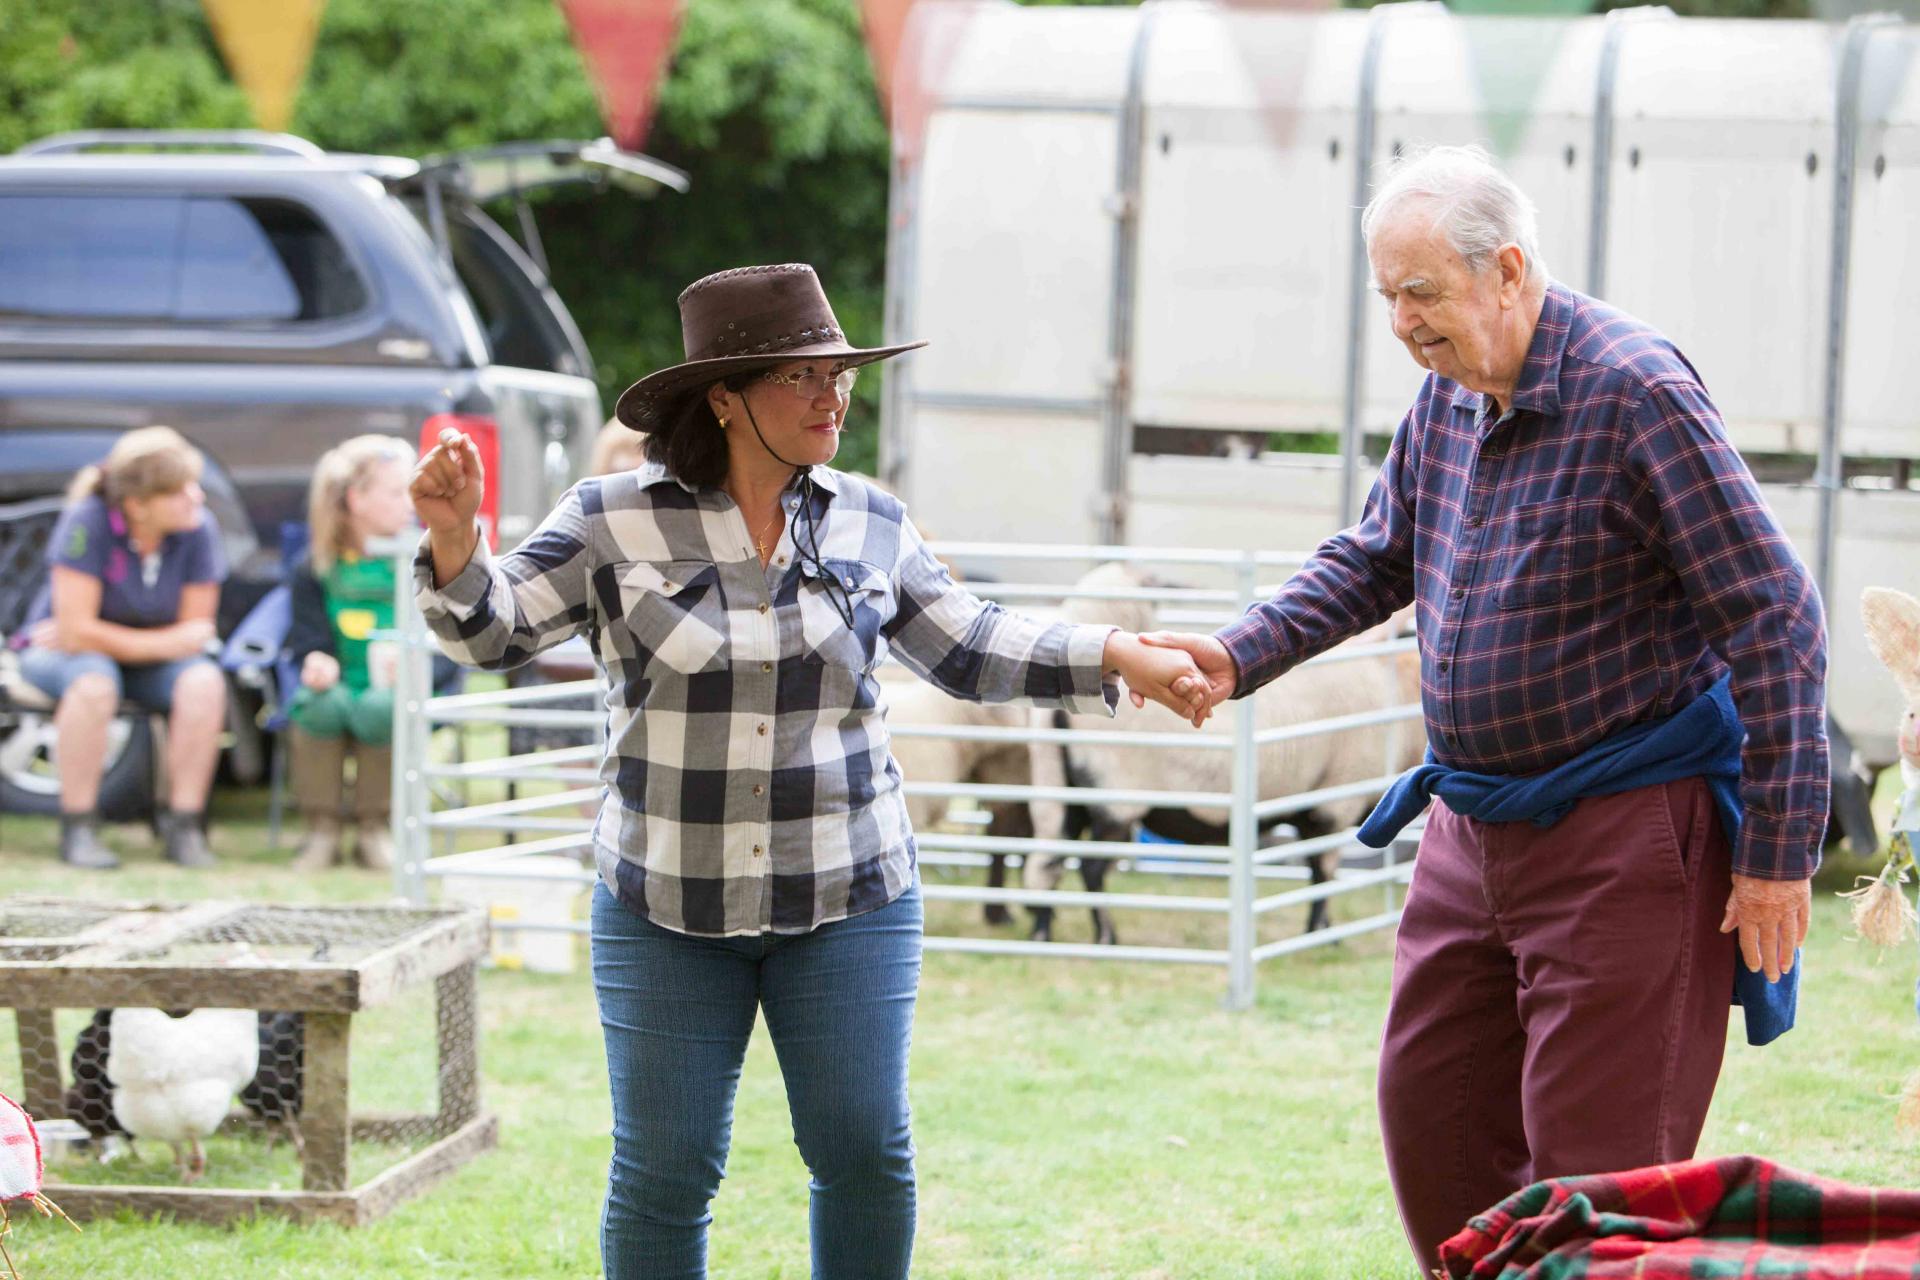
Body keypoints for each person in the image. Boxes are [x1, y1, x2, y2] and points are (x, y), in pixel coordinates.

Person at [408, 263, 1209, 1280]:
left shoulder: (871, 519)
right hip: (664, 900)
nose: (833, 395)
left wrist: (1116, 651)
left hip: (848, 891)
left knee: (864, 1152)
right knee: (663, 1169)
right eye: (802, 376)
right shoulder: (612, 516)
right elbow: (497, 629)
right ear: (726, 398)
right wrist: (452, 540)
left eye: (840, 374)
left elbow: (969, 641)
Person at [1142, 146, 1828, 1273]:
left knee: (1604, 1178)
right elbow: (1378, 554)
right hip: (1471, 830)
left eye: (1423, 294)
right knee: (1435, 1115)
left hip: (1625, 832)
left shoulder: (1636, 390)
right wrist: (1234, 650)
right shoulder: (1452, 397)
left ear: (1507, 270)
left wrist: (1778, 854)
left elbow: (1777, 616)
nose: (1405, 324)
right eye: (1389, 298)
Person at [18, 426, 228, 870]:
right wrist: (162, 639)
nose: (197, 498)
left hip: (140, 660)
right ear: (138, 505)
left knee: (204, 682)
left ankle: (184, 825)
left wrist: (106, 633)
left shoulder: (198, 529)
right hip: (62, 658)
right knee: (95, 683)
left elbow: (196, 629)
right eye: (179, 491)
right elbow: (74, 637)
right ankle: (79, 825)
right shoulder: (88, 521)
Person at [286, 434, 418, 871]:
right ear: (356, 499)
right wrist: (316, 661)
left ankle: (373, 829)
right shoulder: (316, 566)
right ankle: (322, 829)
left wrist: (415, 662)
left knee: (385, 708)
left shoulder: (420, 558)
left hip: (395, 686)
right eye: (397, 492)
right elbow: (308, 638)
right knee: (318, 705)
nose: (410, 503)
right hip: (341, 683)